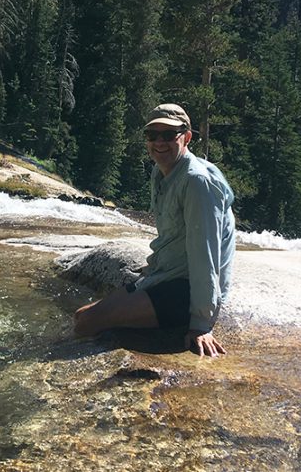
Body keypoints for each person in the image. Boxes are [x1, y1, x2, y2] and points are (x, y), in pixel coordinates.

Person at [74, 103, 236, 357]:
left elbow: (206, 255)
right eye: (152, 135)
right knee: (81, 316)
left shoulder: (196, 182)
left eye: (169, 135)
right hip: (166, 276)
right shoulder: (160, 173)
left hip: (188, 290)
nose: (159, 142)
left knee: (87, 322)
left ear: (187, 137)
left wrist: (201, 324)